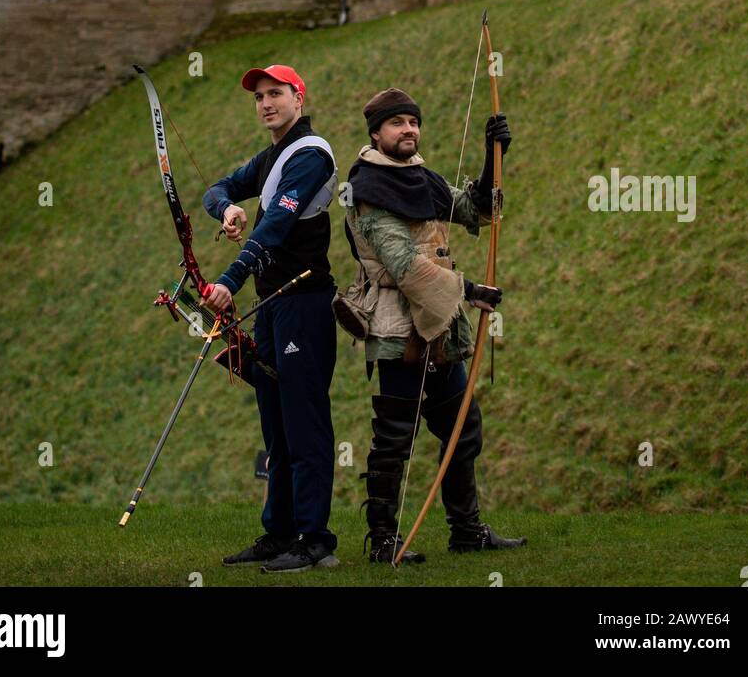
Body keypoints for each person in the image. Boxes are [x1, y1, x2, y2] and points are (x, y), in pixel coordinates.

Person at [339, 86, 527, 563]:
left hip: (438, 329)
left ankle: (466, 531)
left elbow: (478, 211)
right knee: (394, 439)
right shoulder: (366, 189)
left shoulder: (425, 178)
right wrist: (469, 292)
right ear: (376, 132)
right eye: (398, 123)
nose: (409, 130)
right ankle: (383, 540)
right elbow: (401, 264)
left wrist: (492, 155)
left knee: (464, 428)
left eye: (413, 122)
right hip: (396, 331)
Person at [202, 63, 339, 573]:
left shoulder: (310, 155)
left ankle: (314, 538)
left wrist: (229, 280)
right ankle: (279, 532)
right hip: (272, 306)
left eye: (275, 93)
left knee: (304, 423)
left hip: (303, 303)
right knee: (275, 425)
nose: (265, 103)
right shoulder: (270, 158)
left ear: (298, 98)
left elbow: (277, 225)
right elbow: (216, 188)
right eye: (259, 96)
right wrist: (227, 212)